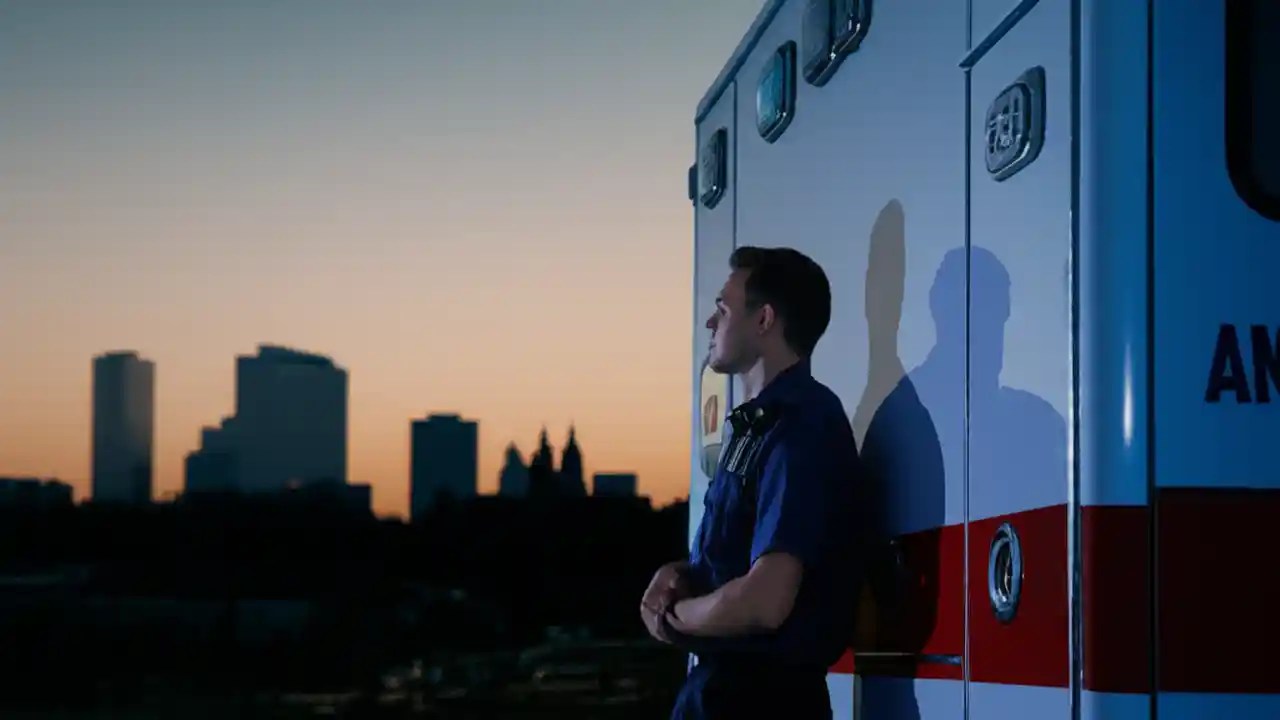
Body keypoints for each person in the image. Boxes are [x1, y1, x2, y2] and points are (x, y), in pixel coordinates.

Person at [640, 246, 864, 719]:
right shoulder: (756, 426)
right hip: (729, 694)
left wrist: (675, 617)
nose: (710, 323)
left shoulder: (802, 425)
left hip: (762, 702)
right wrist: (680, 574)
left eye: (722, 309)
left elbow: (767, 599)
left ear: (764, 320)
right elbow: (739, 557)